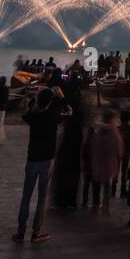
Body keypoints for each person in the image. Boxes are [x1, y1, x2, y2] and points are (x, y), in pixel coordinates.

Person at [15, 88, 70, 243]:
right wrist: (62, 97)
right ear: (51, 102)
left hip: (32, 159)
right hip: (47, 160)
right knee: (42, 197)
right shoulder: (53, 117)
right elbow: (69, 112)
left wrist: (34, 100)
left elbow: (25, 113)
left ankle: (20, 232)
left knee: (26, 196)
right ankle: (36, 232)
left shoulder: (33, 116)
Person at [51, 80, 85, 210]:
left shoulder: (70, 118)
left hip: (67, 150)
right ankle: (71, 200)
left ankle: (63, 200)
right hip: (75, 151)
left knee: (65, 175)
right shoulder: (79, 116)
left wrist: (63, 99)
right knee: (73, 176)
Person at [87, 108, 123, 213]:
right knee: (106, 185)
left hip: (97, 162)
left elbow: (92, 146)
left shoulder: (98, 131)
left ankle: (95, 204)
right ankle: (105, 205)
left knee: (96, 186)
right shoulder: (114, 133)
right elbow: (118, 150)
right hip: (108, 164)